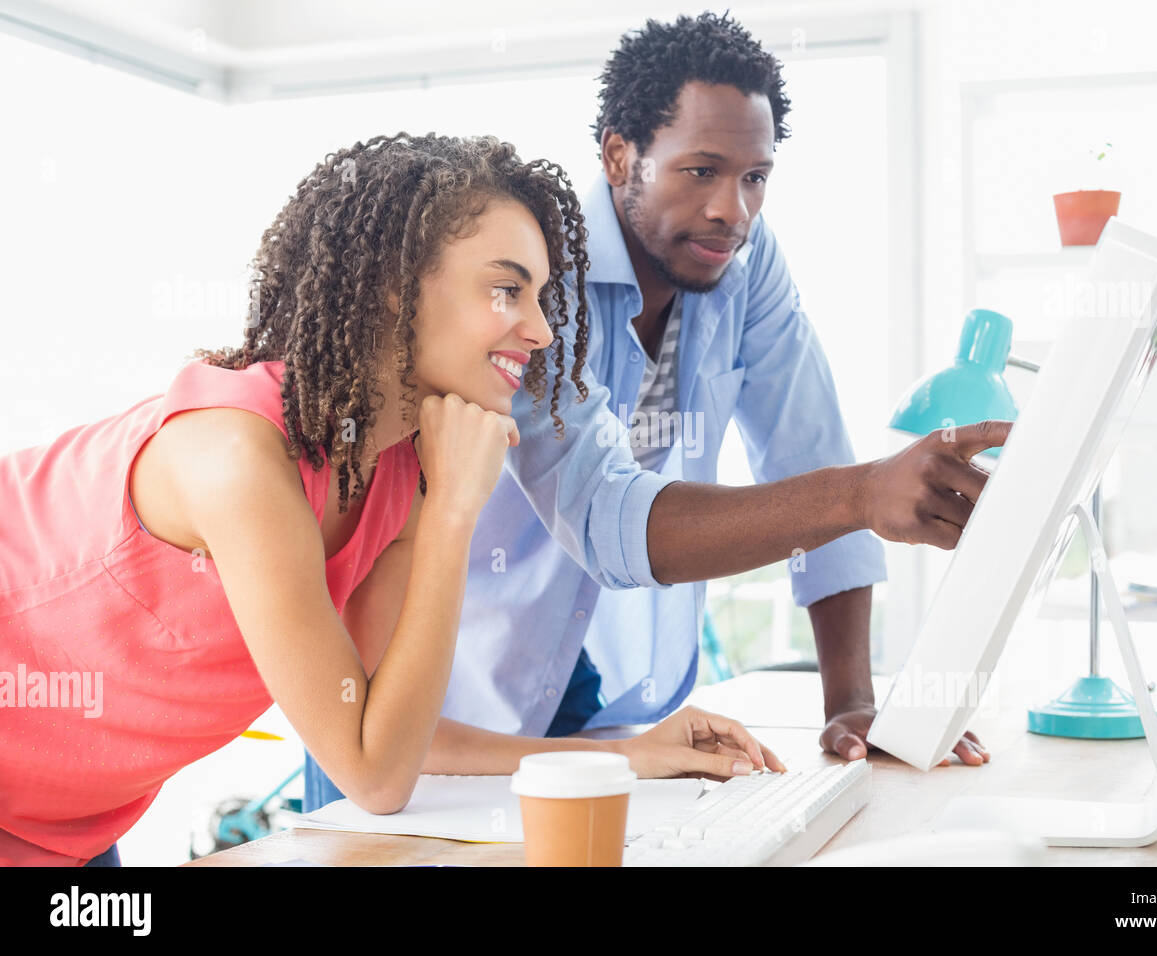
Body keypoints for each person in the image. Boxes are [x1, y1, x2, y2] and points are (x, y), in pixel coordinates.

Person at [0, 132, 783, 867]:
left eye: (541, 296)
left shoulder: (395, 469)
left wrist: (628, 755)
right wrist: (453, 513)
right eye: (507, 290)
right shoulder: (237, 460)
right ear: (390, 292)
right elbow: (372, 775)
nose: (542, 331)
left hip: (69, 821)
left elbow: (399, 743)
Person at [300, 15, 1009, 811]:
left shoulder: (745, 262)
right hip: (432, 699)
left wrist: (849, 701)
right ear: (618, 156)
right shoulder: (537, 270)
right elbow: (608, 516)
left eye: (755, 177)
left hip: (588, 690)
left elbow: (808, 452)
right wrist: (861, 495)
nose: (732, 211)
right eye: (701, 171)